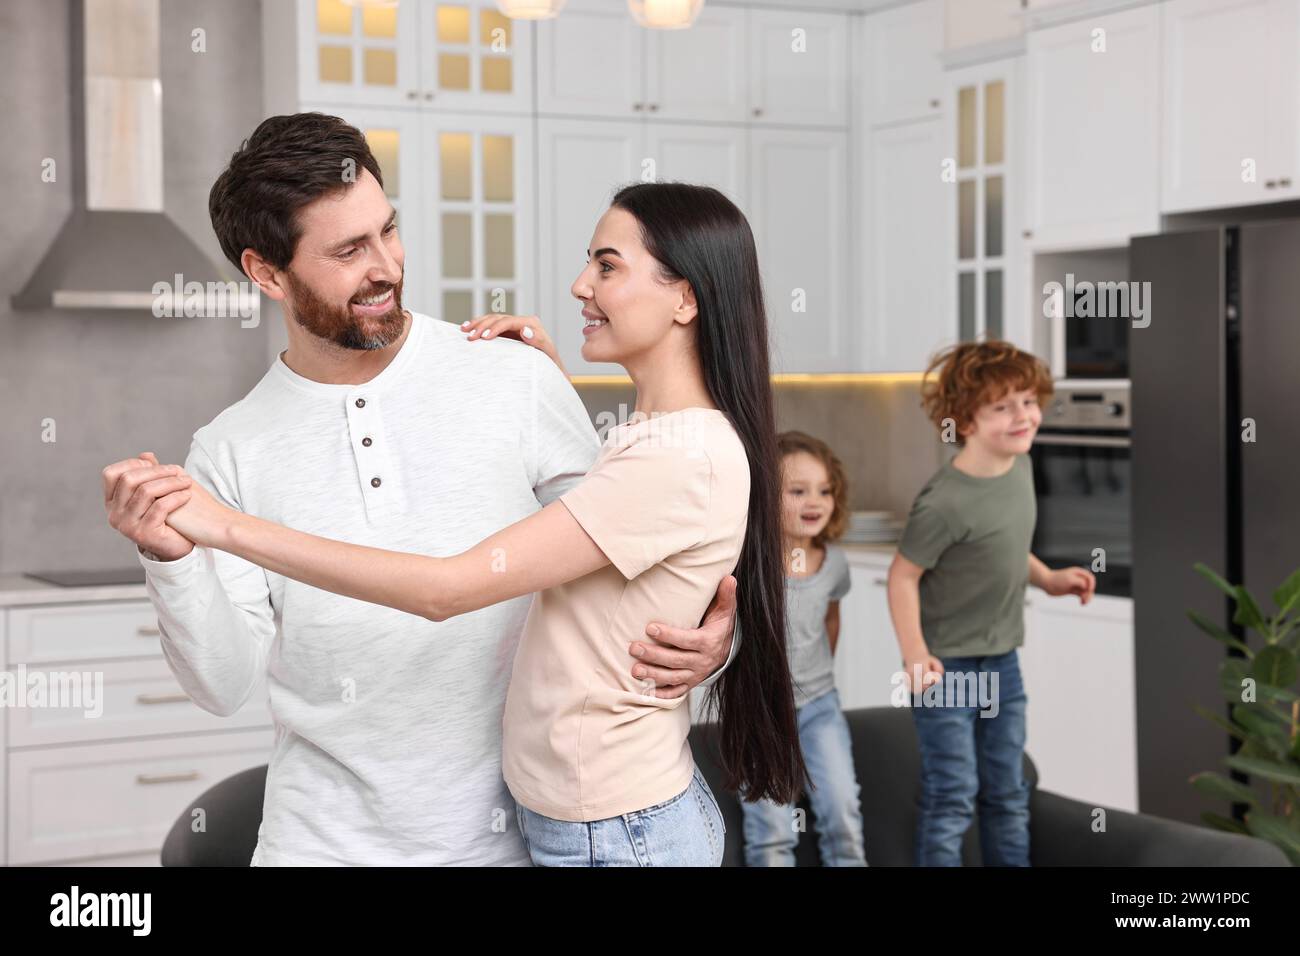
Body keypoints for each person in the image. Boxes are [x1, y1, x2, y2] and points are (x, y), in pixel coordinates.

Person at [101, 113, 741, 866]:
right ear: (267, 272)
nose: (386, 266)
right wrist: (171, 560)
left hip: (512, 839)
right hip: (319, 846)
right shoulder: (230, 450)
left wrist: (710, 643)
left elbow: (630, 555)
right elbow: (222, 684)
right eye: (348, 250)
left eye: (388, 231)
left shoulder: (510, 371)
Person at [887, 340, 1096, 866]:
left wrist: (1046, 579)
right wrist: (915, 655)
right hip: (946, 668)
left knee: (1007, 791)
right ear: (966, 420)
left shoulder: (1019, 467)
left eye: (1028, 401)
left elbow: (1002, 546)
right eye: (1002, 407)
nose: (1023, 416)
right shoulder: (945, 502)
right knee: (952, 795)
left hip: (1002, 660)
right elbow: (902, 577)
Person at [741, 431, 867, 866]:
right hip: (761, 713)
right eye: (797, 491)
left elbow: (829, 618)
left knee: (843, 812)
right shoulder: (747, 564)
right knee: (773, 833)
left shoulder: (835, 564)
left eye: (824, 490)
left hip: (819, 707)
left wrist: (818, 674)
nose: (815, 501)